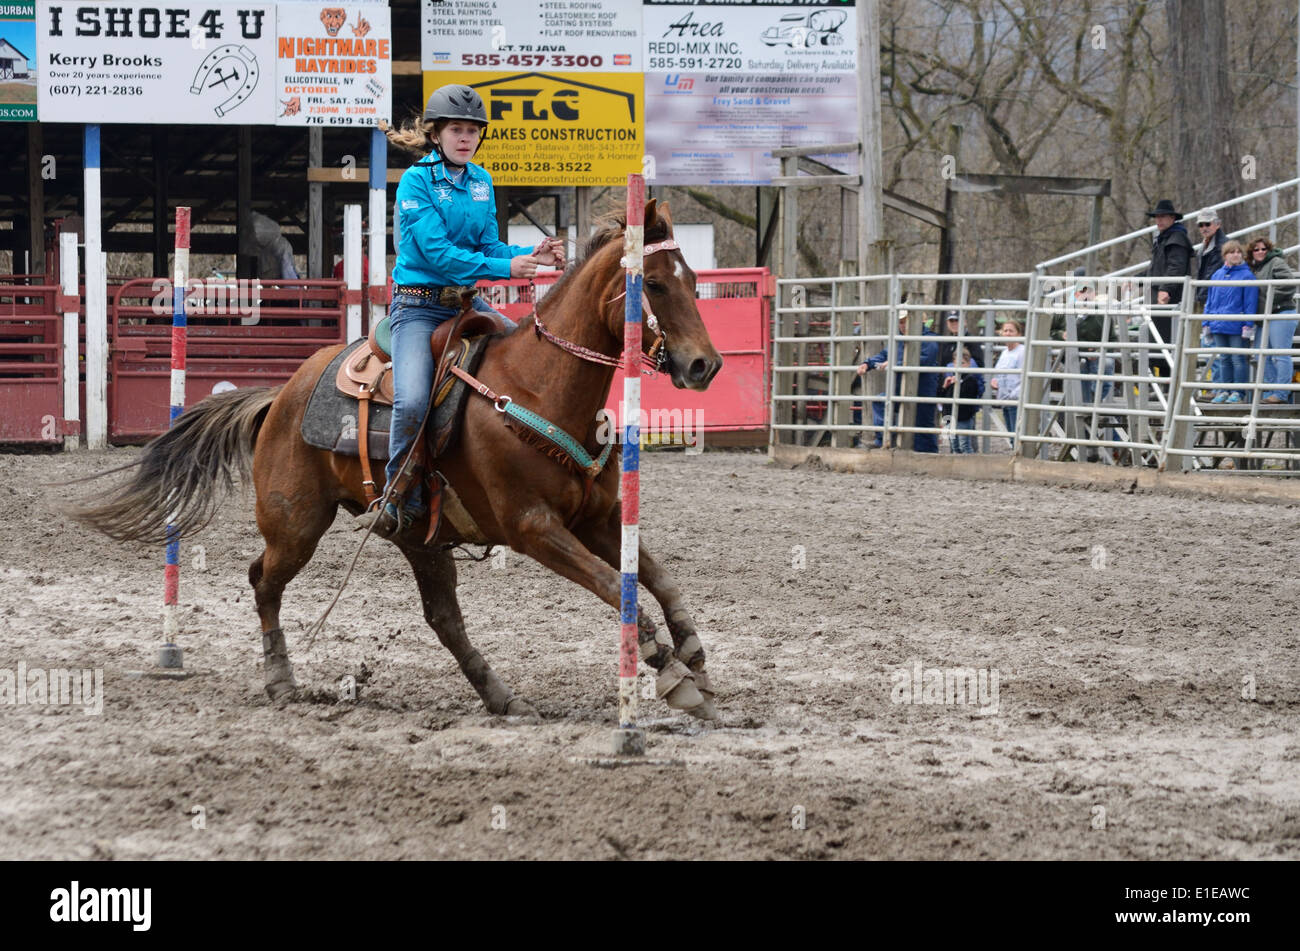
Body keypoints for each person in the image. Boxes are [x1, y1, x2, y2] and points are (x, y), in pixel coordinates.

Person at [356, 83, 566, 536]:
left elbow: (487, 245)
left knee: (532, 357)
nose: (465, 137)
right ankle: (396, 495)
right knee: (412, 399)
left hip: (469, 304)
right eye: (456, 129)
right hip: (417, 309)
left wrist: (534, 253)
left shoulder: (481, 181)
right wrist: (507, 266)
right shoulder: (416, 181)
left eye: (472, 130)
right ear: (436, 134)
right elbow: (438, 254)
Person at [856, 312, 940, 452]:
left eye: (905, 321)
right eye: (900, 322)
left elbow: (923, 359)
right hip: (900, 389)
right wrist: (868, 363)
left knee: (923, 428)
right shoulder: (899, 339)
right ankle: (884, 438)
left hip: (922, 391)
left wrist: (895, 363)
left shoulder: (929, 339)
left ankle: (930, 457)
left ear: (920, 322)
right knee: (880, 401)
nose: (902, 325)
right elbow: (884, 355)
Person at [1201, 240, 1258, 404]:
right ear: (1225, 255)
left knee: (1238, 359)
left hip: (1237, 325)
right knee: (1224, 358)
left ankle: (1238, 392)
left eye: (1238, 252)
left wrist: (1248, 324)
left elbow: (1250, 303)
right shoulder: (1217, 275)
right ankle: (1224, 389)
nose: (1235, 255)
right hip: (1218, 324)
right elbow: (1210, 301)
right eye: (1231, 252)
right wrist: (1206, 322)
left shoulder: (1247, 276)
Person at [1247, 235, 1299, 404]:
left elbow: (1289, 284)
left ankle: (1282, 393)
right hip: (1265, 317)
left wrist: (1268, 299)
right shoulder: (1254, 268)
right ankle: (1270, 390)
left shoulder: (1276, 262)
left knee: (1279, 354)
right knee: (1261, 355)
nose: (1260, 252)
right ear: (1252, 252)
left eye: (1264, 249)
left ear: (1269, 250)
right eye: (1256, 249)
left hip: (1281, 312)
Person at [1146, 199, 1193, 377]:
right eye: (1157, 217)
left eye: (1163, 217)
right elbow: (1156, 268)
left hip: (1170, 298)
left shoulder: (1176, 239)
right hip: (1162, 296)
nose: (1159, 220)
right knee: (1161, 342)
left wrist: (1166, 289)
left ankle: (1168, 385)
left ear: (1172, 218)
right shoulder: (1166, 238)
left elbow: (1176, 267)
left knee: (1167, 341)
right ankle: (1165, 385)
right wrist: (1136, 280)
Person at [937, 345, 983, 453]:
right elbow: (941, 397)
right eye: (956, 363)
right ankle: (956, 467)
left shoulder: (970, 379)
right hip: (949, 416)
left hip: (963, 417)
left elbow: (968, 396)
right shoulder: (950, 379)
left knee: (964, 445)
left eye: (962, 363)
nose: (959, 366)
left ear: (968, 364)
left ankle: (968, 466)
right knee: (954, 445)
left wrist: (957, 385)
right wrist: (945, 386)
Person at [989, 319, 1024, 446]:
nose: (1008, 333)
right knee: (1011, 435)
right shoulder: (1004, 353)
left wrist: (1014, 395)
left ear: (1018, 334)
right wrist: (995, 381)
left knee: (1017, 435)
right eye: (1005, 331)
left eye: (1011, 331)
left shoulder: (1022, 351)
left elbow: (1024, 378)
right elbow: (998, 373)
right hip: (1005, 399)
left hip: (1015, 400)